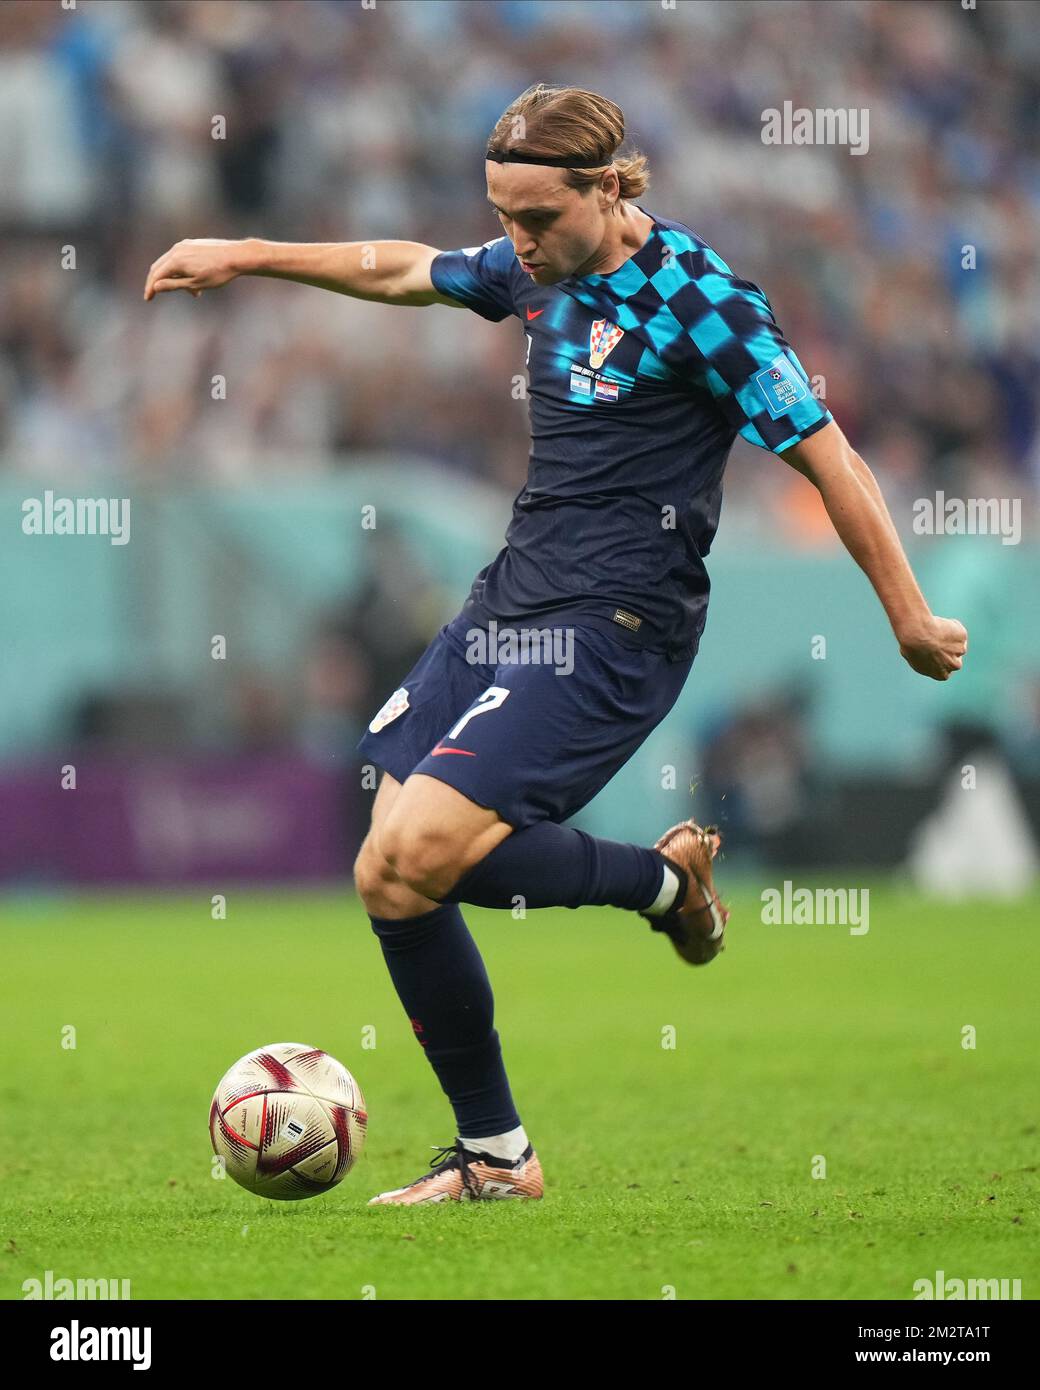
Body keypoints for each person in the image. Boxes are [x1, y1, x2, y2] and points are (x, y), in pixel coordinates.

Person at [144, 83, 968, 1206]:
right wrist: (245, 252)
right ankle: (496, 1153)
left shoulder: (703, 300)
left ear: (608, 186)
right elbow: (400, 269)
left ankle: (657, 887)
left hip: (615, 624)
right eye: (504, 218)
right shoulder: (536, 270)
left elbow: (830, 457)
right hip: (506, 603)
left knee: (423, 847)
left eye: (538, 218)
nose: (518, 243)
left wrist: (907, 615)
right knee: (385, 870)